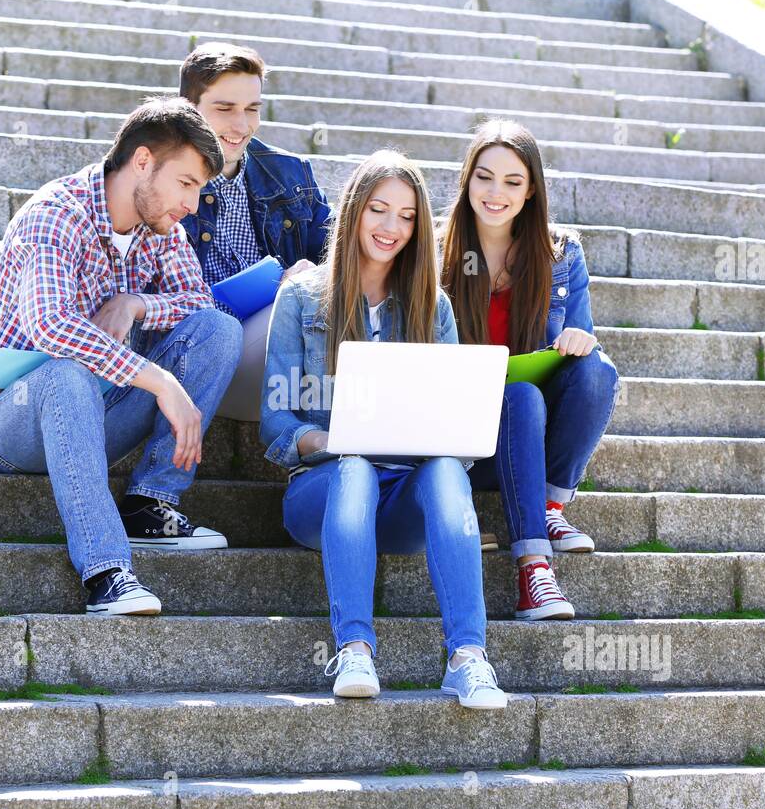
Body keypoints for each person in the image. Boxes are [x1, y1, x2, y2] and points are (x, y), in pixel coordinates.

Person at [0, 97, 242, 616]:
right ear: (143, 162)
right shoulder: (56, 214)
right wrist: (161, 382)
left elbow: (198, 300)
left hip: (94, 415)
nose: (193, 205)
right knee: (65, 373)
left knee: (218, 331)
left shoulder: (159, 227)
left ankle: (149, 503)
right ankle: (106, 572)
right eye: (187, 183)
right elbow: (51, 325)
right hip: (7, 420)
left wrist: (137, 303)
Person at [260, 149, 508, 710]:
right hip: (322, 492)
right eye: (378, 210)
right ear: (353, 213)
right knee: (353, 467)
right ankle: (353, 648)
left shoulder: (431, 305)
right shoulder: (302, 299)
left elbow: (451, 419)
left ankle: (468, 658)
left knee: (446, 467)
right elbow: (275, 420)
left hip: (402, 498)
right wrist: (332, 439)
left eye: (406, 215)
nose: (391, 227)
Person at [440, 119, 619, 622]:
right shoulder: (436, 252)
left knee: (594, 371)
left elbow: (578, 339)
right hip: (462, 445)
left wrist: (578, 339)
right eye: (484, 177)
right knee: (519, 396)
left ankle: (549, 508)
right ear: (466, 180)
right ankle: (533, 568)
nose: (496, 193)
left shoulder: (560, 253)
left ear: (531, 189)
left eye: (512, 182)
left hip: (531, 438)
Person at [178, 42, 333, 421]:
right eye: (225, 109)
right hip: (198, 361)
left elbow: (342, 256)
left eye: (251, 109)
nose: (241, 125)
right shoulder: (164, 182)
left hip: (287, 356)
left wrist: (306, 277)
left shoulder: (291, 174)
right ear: (188, 109)